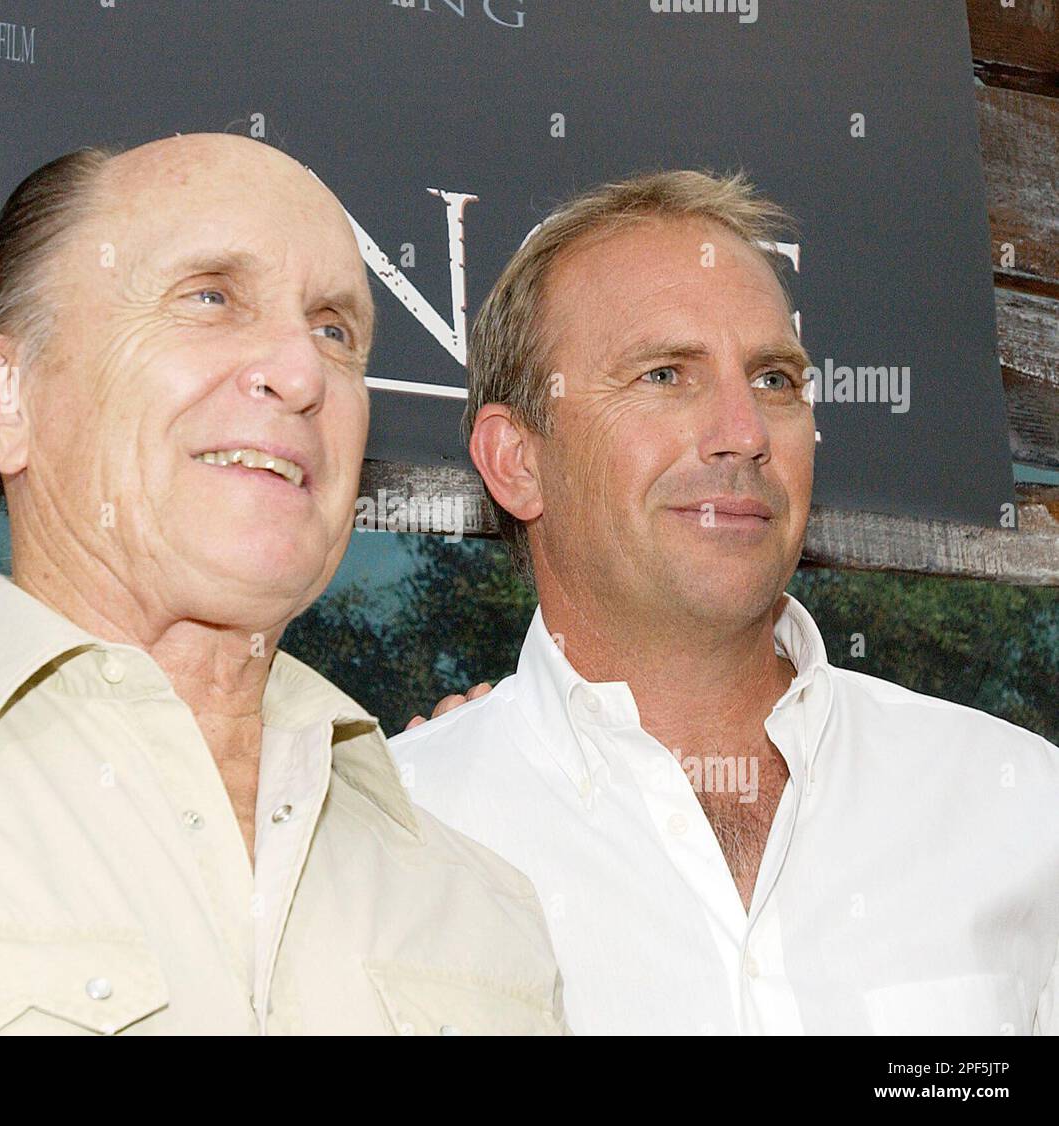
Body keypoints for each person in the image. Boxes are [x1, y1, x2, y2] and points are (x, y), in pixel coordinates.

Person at [0, 135, 567, 1036]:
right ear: (7, 399)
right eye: (211, 298)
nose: (303, 373)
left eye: (335, 331)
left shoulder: (488, 917)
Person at [391, 171, 1059, 1035]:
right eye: (666, 374)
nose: (745, 432)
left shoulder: (1016, 803)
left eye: (776, 379)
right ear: (517, 460)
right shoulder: (396, 840)